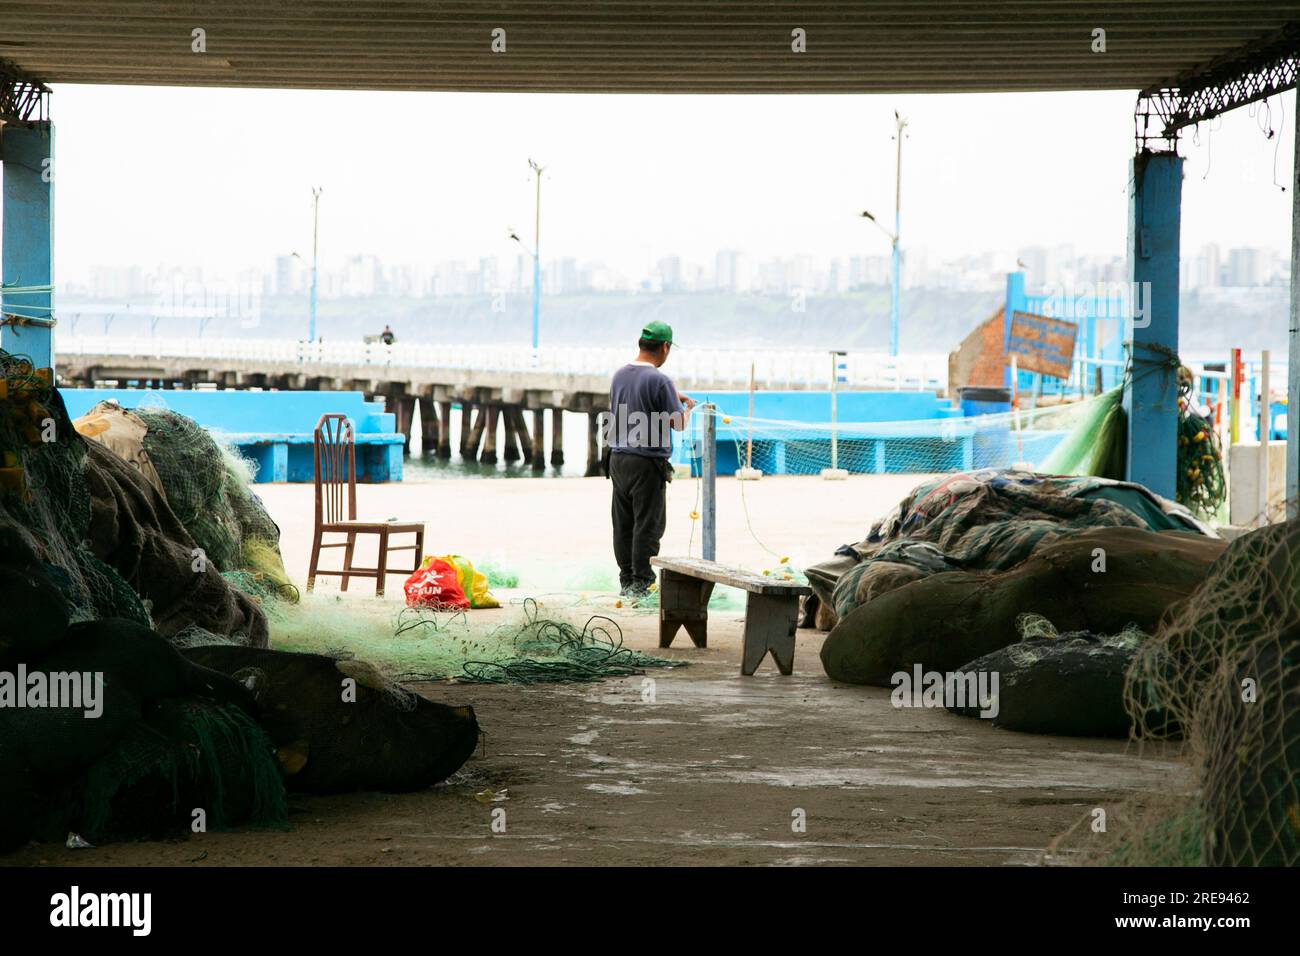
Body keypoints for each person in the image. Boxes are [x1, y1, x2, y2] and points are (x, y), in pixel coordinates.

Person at [606, 320, 695, 598]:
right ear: (665, 347)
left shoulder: (620, 374)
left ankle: (626, 580)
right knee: (648, 523)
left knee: (624, 523)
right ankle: (642, 583)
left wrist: (671, 395)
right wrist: (687, 409)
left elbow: (635, 398)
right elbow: (677, 424)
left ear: (641, 344)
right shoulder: (660, 380)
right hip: (646, 462)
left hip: (618, 459)